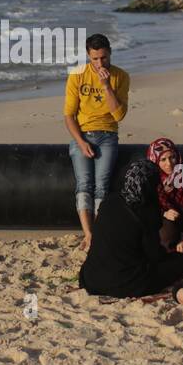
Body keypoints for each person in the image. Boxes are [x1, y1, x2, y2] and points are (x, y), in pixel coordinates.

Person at [78, 160, 183, 298]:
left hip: (91, 279)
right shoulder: (145, 212)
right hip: (125, 283)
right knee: (182, 262)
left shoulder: (109, 201)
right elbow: (153, 254)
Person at [64, 33, 130, 247]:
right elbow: (69, 116)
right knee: (84, 184)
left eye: (103, 58)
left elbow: (119, 115)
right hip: (82, 135)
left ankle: (99, 232)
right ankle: (89, 234)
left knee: (102, 186)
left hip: (108, 135)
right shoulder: (77, 75)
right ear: (88, 56)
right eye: (94, 59)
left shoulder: (121, 76)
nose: (99, 63)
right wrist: (81, 143)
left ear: (110, 53)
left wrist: (106, 85)